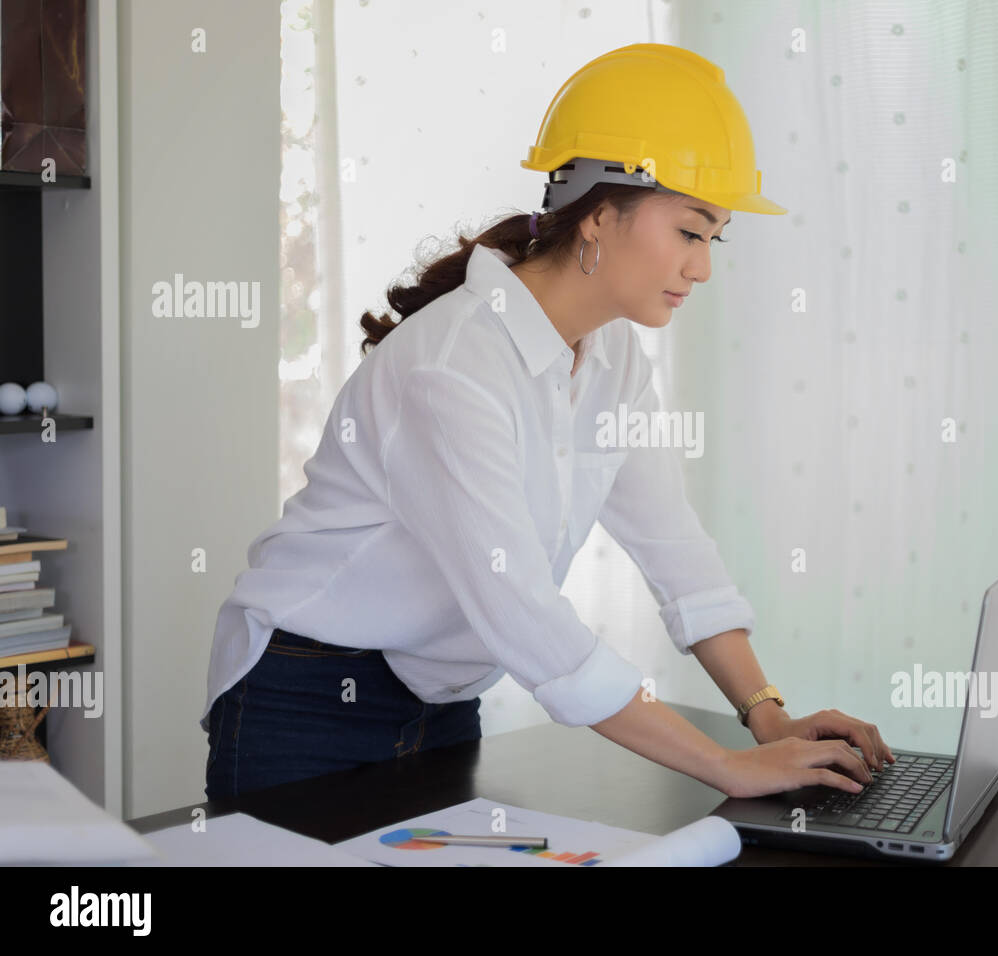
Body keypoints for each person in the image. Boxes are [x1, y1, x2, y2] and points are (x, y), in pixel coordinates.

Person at [203, 42, 894, 801]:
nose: (702, 267)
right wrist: (725, 766)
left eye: (714, 238)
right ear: (600, 217)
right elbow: (527, 617)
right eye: (691, 232)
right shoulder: (454, 367)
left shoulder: (611, 356)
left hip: (439, 699)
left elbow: (675, 550)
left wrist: (766, 717)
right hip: (305, 696)